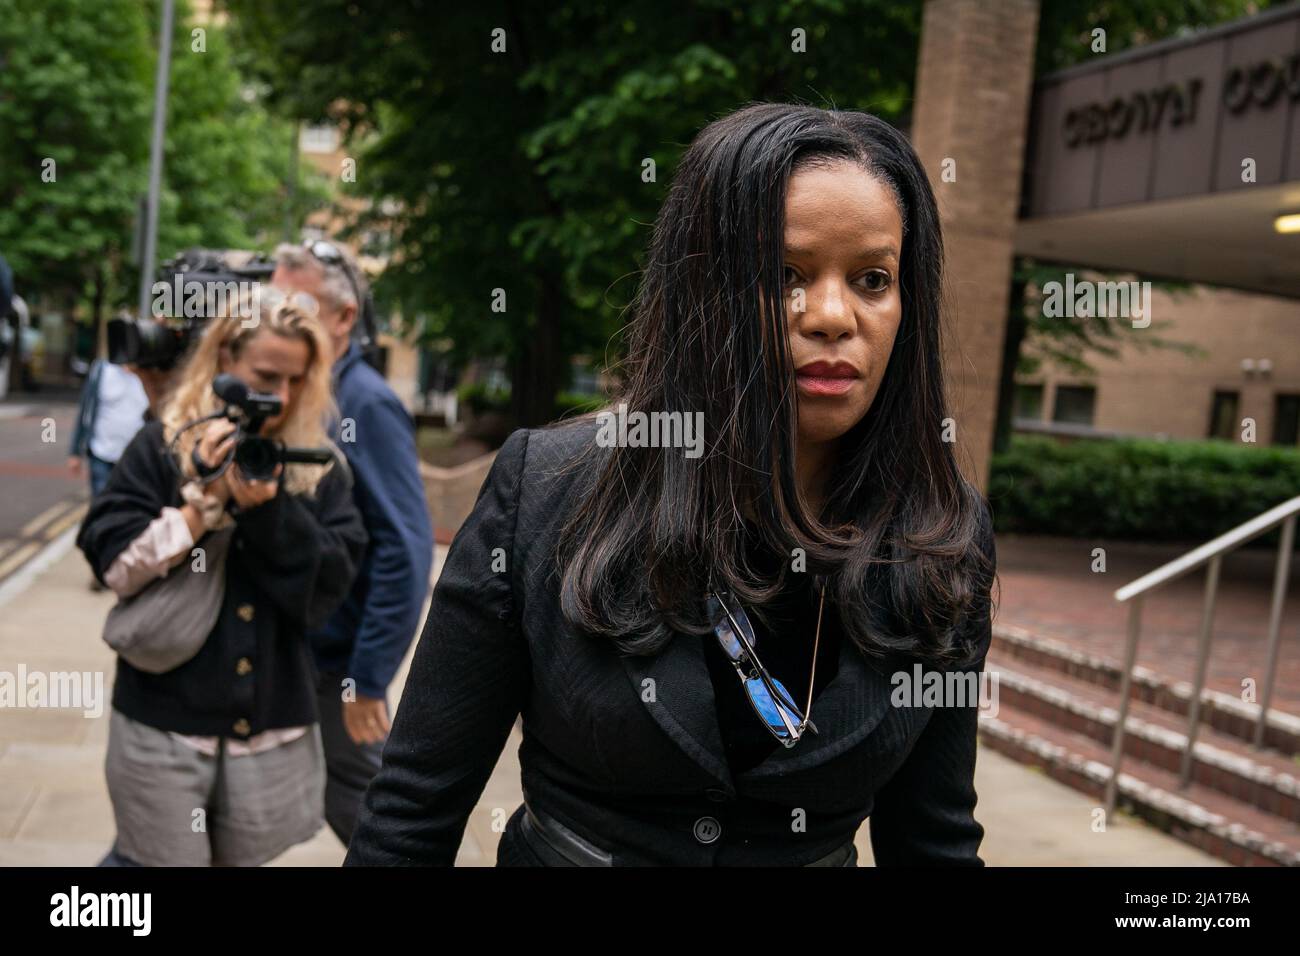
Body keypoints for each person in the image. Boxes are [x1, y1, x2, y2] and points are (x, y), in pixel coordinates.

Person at [344, 102, 998, 867]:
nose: (830, 315)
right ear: (701, 292)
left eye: (872, 279)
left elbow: (935, 841)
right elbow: (410, 816)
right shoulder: (547, 490)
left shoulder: (943, 535)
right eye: (782, 274)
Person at [76, 291, 368, 866]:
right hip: (163, 724)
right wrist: (200, 508)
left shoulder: (319, 466)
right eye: (263, 377)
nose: (278, 398)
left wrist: (268, 511)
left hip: (267, 731)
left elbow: (327, 592)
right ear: (224, 361)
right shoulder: (164, 445)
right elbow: (110, 562)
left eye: (294, 380)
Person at [270, 240, 433, 848]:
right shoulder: (304, 388)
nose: (280, 318)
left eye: (298, 305)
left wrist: (367, 678)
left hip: (336, 665)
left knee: (374, 817)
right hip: (296, 650)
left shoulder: (365, 401)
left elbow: (406, 551)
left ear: (343, 318)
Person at [68, 358, 150, 497]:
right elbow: (86, 411)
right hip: (101, 454)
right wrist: (75, 451)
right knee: (101, 507)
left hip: (136, 460)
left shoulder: (150, 371)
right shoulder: (101, 369)